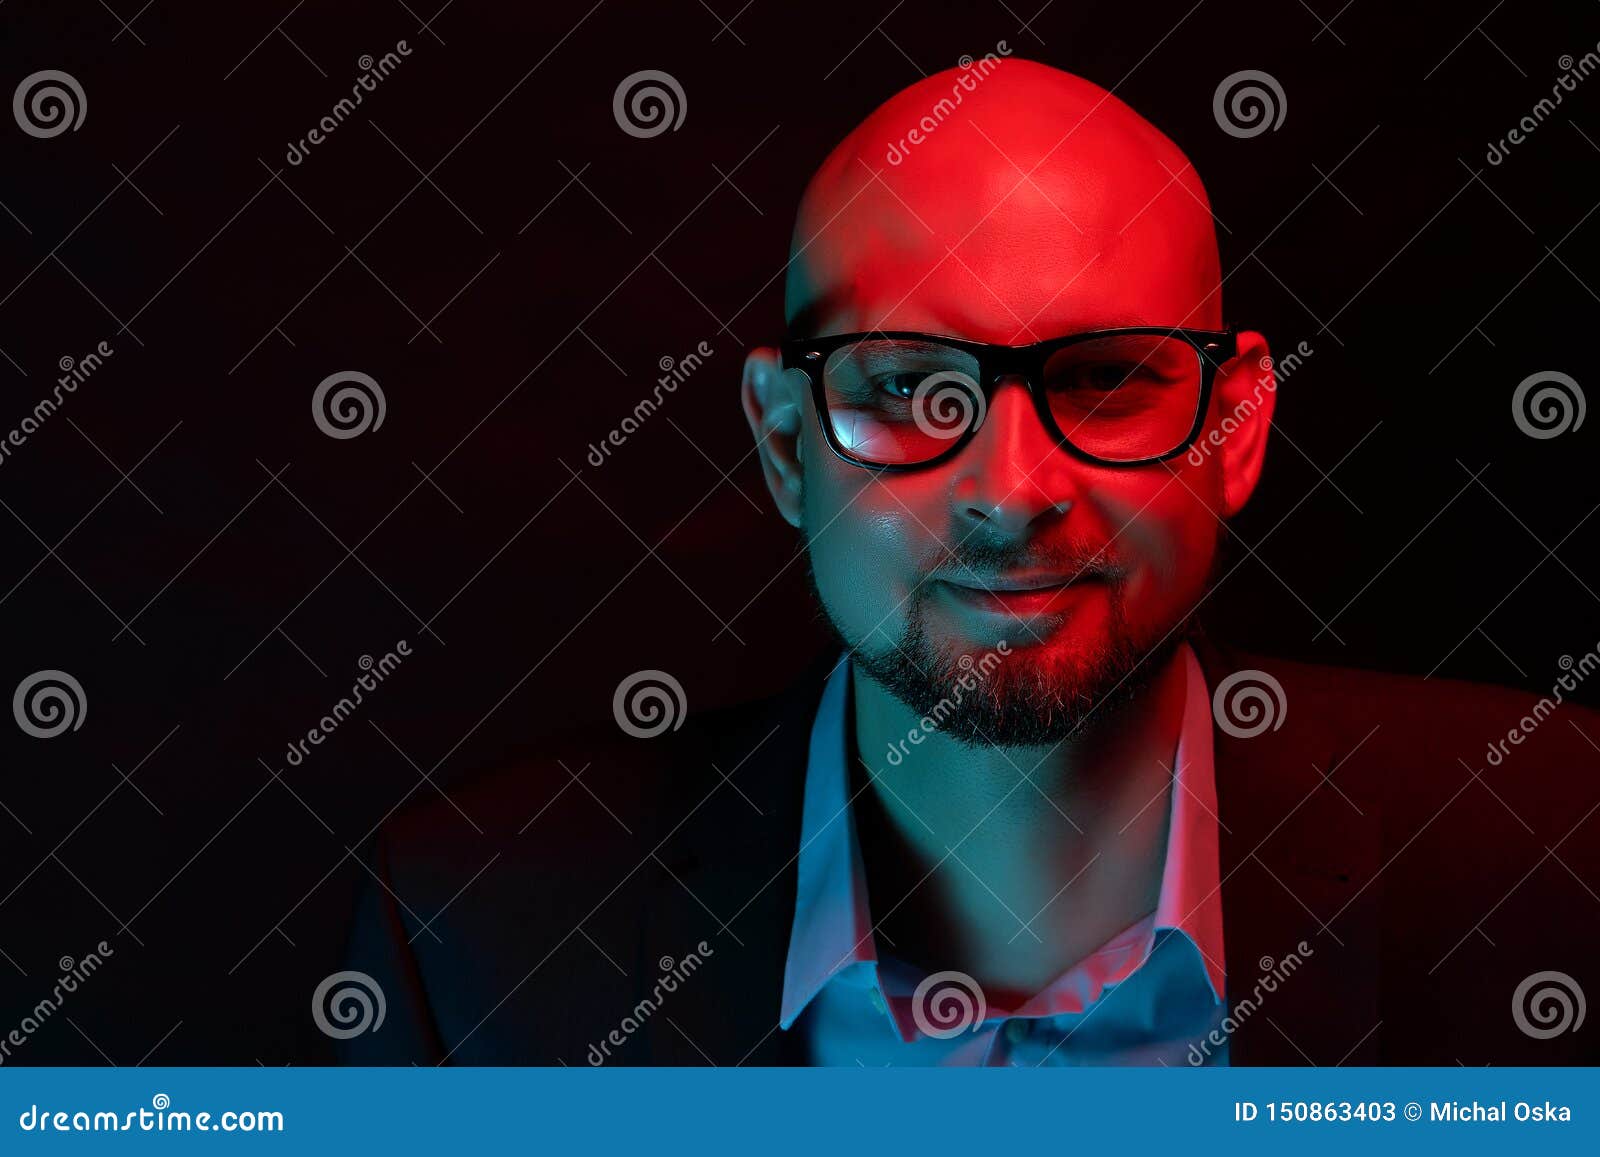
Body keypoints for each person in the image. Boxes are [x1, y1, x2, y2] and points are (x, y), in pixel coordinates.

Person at [341, 59, 1600, 1066]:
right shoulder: (474, 936)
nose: (1011, 491)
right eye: (904, 386)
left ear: (1238, 424)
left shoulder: (1561, 851)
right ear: (785, 444)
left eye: (1105, 379)